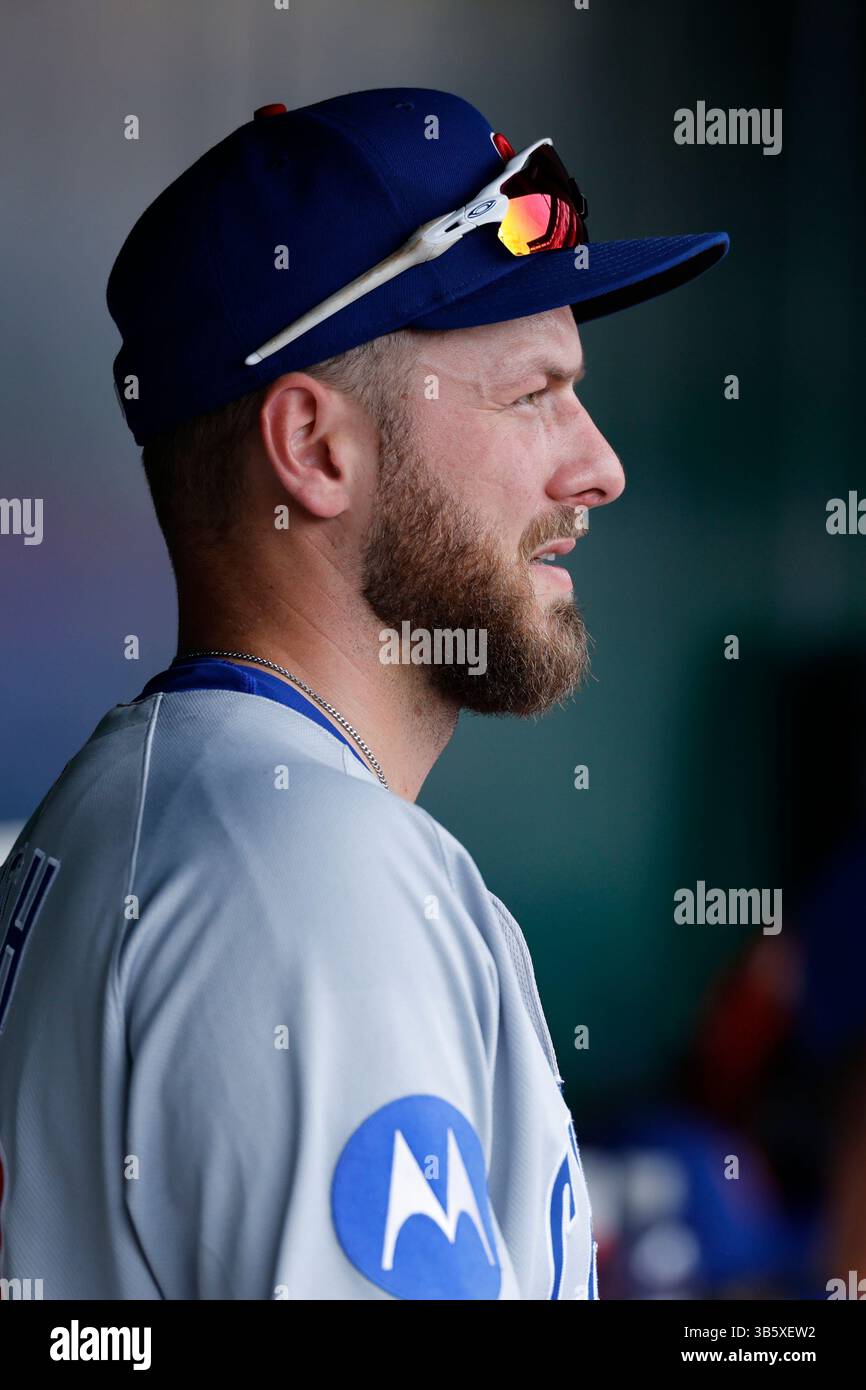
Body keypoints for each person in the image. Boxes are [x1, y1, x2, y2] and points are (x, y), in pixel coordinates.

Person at [0, 88, 728, 1300]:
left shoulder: (136, 805)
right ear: (317, 449)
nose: (596, 464)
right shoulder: (307, 880)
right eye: (529, 391)